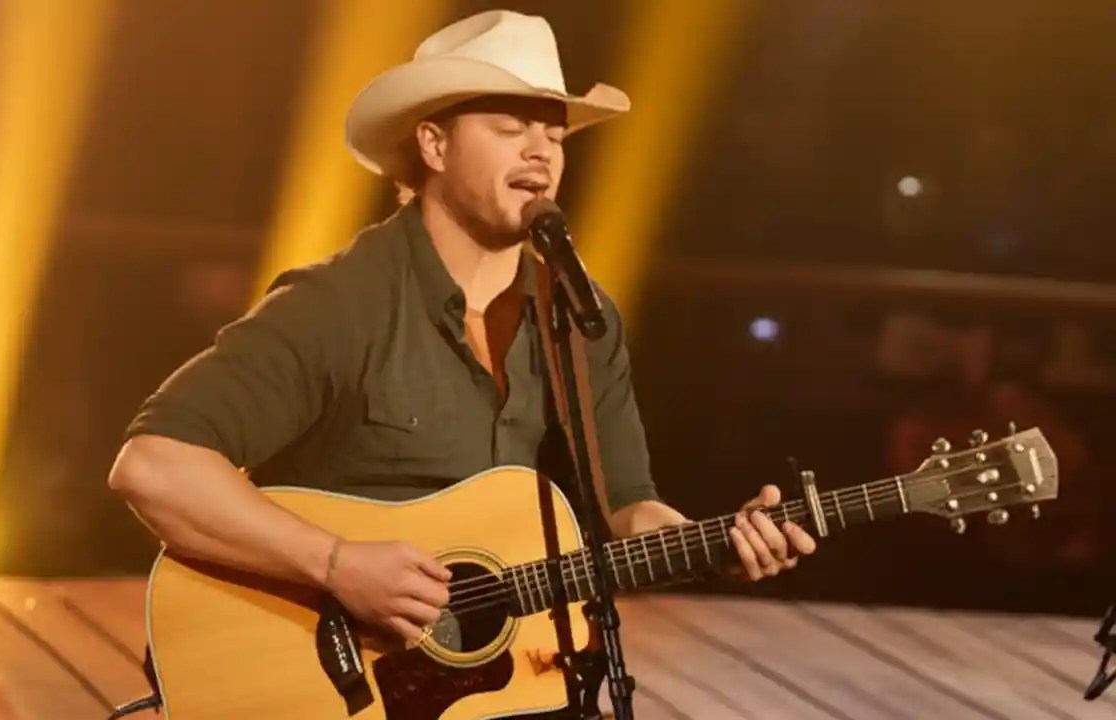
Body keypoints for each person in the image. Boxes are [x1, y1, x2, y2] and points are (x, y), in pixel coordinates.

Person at [108, 9, 815, 649]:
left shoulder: (579, 317)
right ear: (434, 146)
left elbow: (625, 513)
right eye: (510, 129)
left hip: (511, 684)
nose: (539, 151)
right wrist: (337, 564)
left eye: (554, 133)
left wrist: (710, 542)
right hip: (333, 674)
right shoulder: (339, 303)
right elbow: (154, 466)